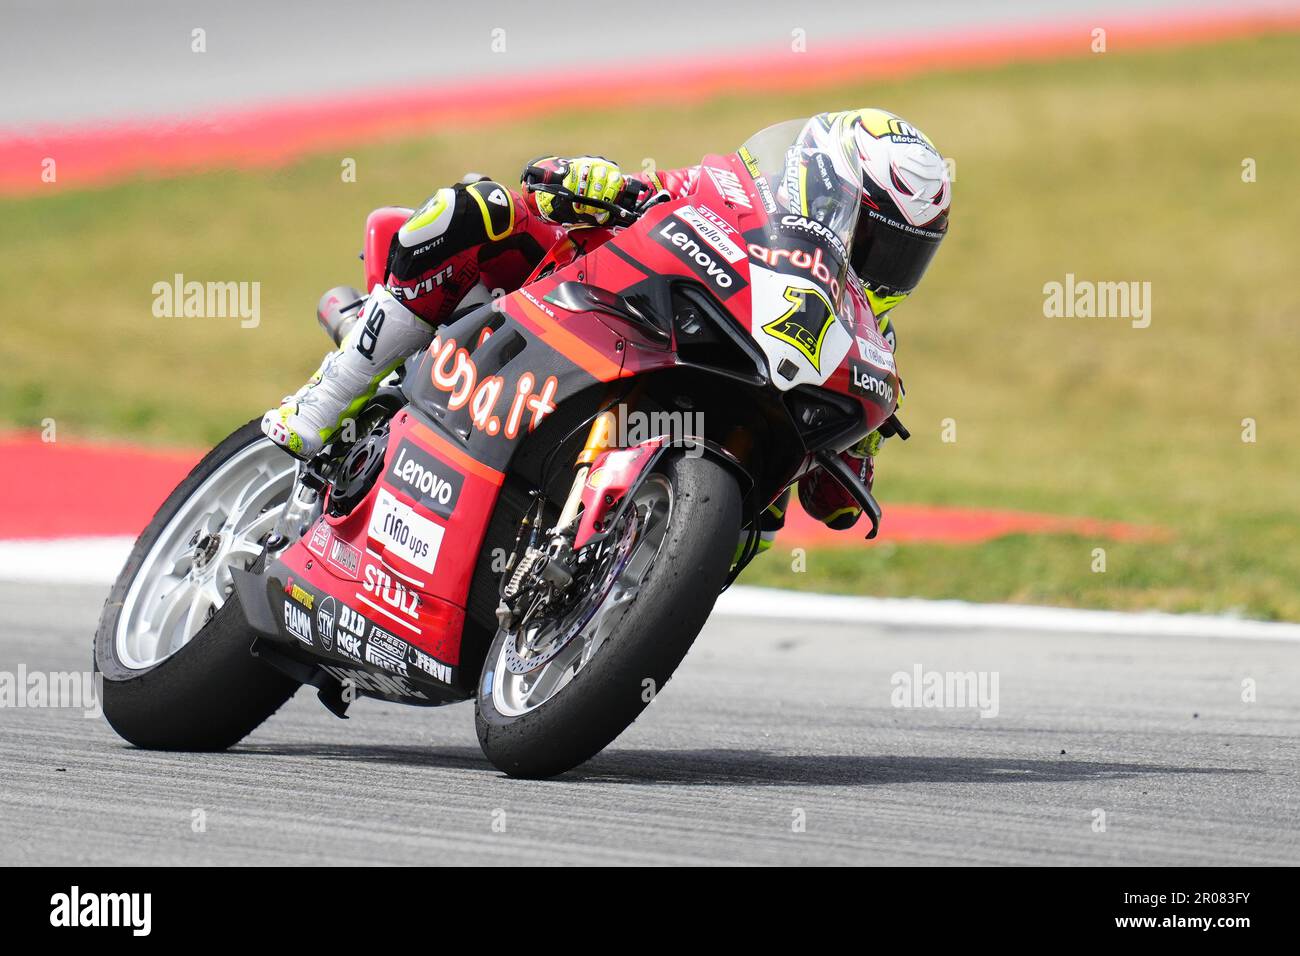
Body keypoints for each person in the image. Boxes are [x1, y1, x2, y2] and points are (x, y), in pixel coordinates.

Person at [261, 108, 952, 533]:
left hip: (695, 465)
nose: (882, 268)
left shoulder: (865, 353)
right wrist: (598, 183)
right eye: (874, 240)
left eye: (903, 256)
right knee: (476, 208)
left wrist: (861, 444)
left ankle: (613, 584)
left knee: (764, 513)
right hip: (582, 314)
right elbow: (587, 183)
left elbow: (832, 507)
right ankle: (328, 395)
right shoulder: (732, 192)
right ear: (821, 189)